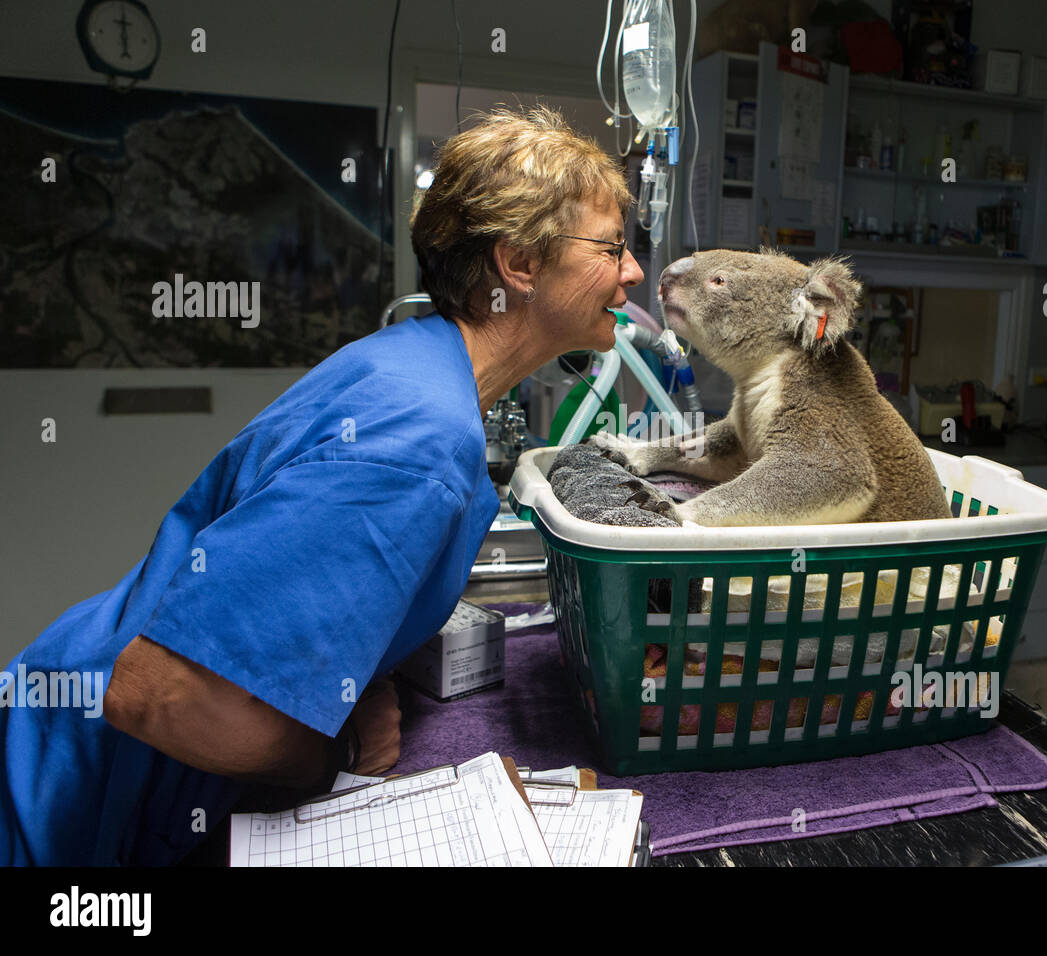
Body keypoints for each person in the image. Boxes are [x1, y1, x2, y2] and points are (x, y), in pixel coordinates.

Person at [0, 105, 643, 865]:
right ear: (520, 265)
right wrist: (332, 749)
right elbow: (160, 694)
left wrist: (358, 676)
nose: (633, 272)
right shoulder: (421, 434)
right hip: (65, 801)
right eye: (610, 248)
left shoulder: (411, 361)